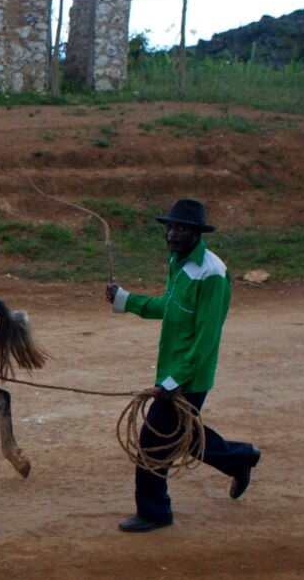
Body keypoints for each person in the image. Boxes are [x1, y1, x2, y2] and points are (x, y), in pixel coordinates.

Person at [105, 198, 261, 533]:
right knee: (181, 436)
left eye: (181, 229)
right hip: (173, 371)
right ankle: (240, 458)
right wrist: (125, 300)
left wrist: (177, 379)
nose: (172, 234)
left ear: (197, 233)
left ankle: (155, 512)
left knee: (153, 441)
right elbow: (170, 307)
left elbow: (207, 336)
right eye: (170, 228)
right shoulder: (179, 263)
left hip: (188, 376)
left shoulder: (212, 274)